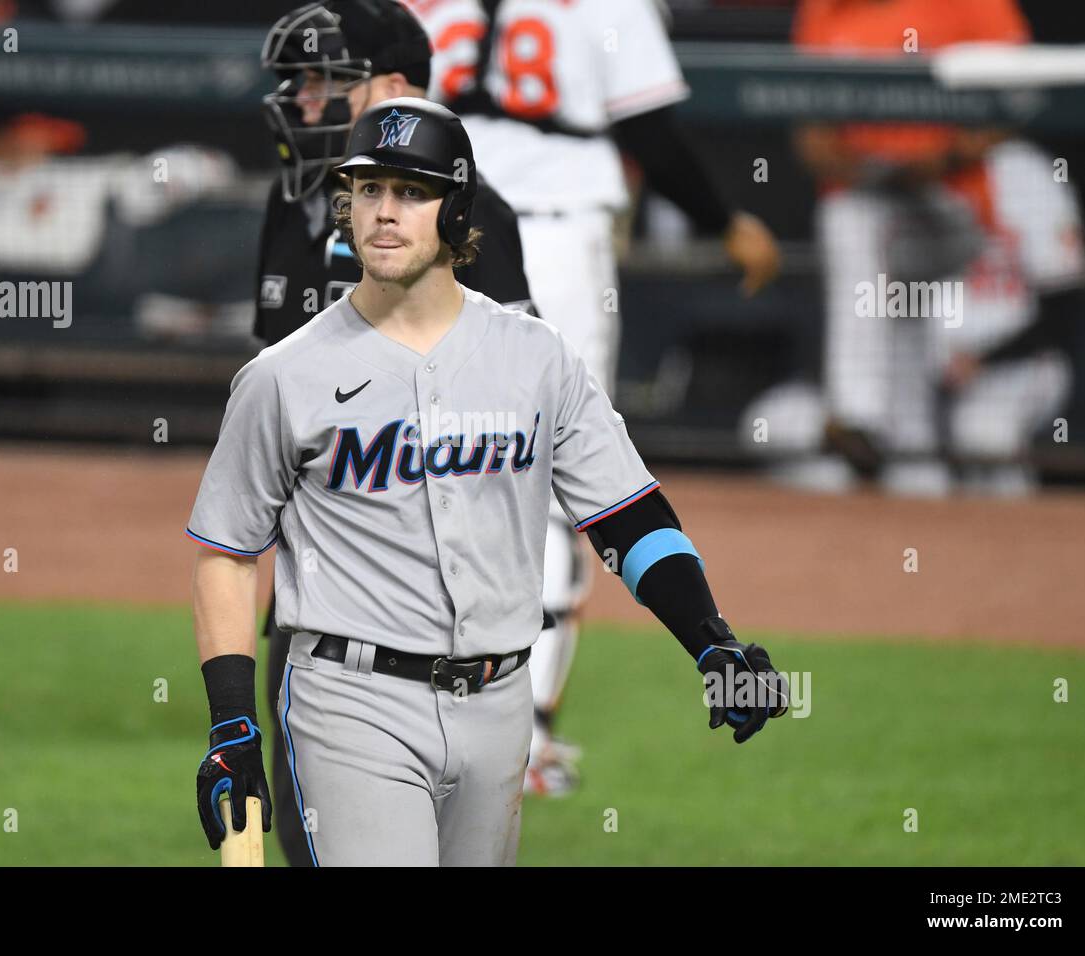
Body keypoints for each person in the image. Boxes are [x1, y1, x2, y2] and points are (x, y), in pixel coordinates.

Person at [187, 97, 788, 866]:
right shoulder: (283, 376)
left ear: (457, 207)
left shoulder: (534, 357)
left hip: (500, 707)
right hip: (350, 703)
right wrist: (234, 723)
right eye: (368, 190)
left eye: (411, 191)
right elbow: (228, 552)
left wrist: (712, 644)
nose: (383, 212)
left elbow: (628, 515)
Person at [401, 0, 782, 794]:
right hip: (558, 229)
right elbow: (648, 130)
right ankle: (524, 740)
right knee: (555, 479)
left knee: (416, 465)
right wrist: (723, 219)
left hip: (428, 226)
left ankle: (413, 720)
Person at [252, 0, 537, 865]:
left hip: (455, 618)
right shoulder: (289, 204)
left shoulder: (476, 215)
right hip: (323, 608)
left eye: (324, 81)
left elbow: (524, 408)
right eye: (296, 83)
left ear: (393, 89)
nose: (303, 101)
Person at [790, 0, 1085, 495]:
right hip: (881, 207)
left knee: (984, 435)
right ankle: (864, 427)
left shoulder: (975, 5)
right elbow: (811, 139)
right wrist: (884, 168)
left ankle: (861, 415)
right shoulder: (826, 9)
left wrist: (943, 155)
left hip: (958, 207)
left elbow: (1019, 101)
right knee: (852, 222)